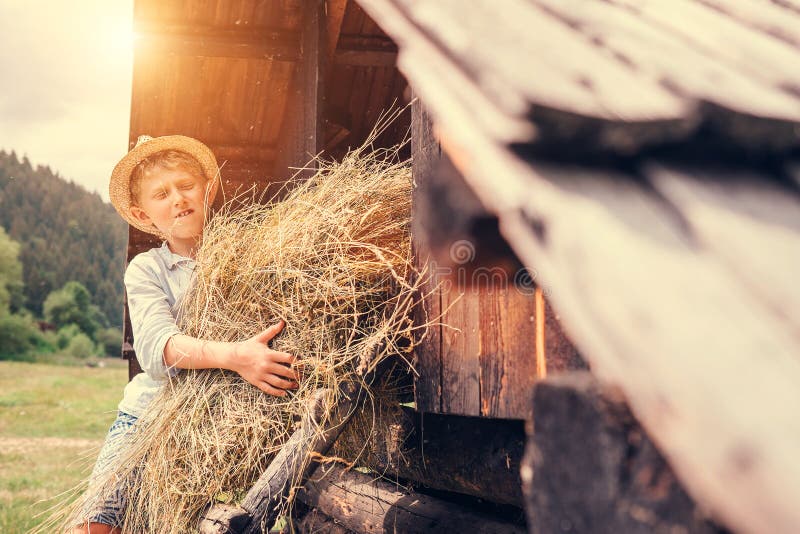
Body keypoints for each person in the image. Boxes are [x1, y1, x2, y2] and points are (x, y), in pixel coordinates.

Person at [71, 135, 299, 533]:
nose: (178, 198)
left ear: (208, 190)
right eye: (162, 193)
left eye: (186, 185)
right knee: (97, 523)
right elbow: (158, 350)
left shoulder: (253, 254)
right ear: (144, 216)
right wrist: (236, 356)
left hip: (234, 412)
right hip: (148, 415)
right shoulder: (148, 269)